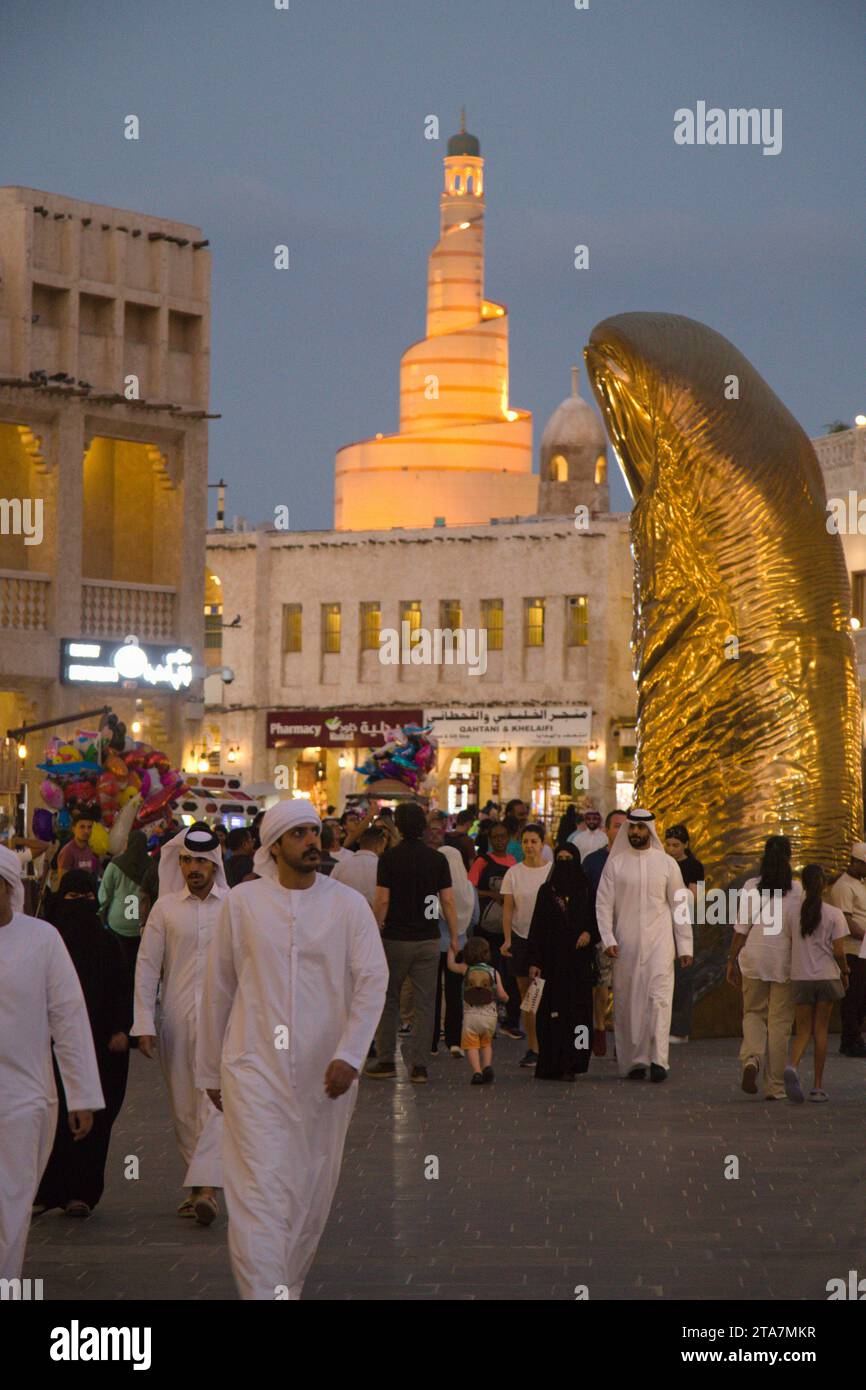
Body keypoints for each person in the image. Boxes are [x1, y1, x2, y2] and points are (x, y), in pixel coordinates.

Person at [196, 799, 388, 1300]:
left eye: (315, 832)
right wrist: (209, 1072)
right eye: (299, 834)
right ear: (274, 845)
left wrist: (350, 1052)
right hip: (251, 1068)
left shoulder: (347, 905)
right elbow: (218, 988)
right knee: (256, 1189)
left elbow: (372, 981)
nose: (311, 842)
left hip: (325, 1077)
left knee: (307, 1190)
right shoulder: (242, 903)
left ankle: (285, 1287)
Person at [0, 846, 103, 1280]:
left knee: (11, 1200)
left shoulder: (42, 939)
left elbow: (68, 1016)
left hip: (25, 1098)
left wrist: (81, 1094)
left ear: (10, 890)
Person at [132, 823, 226, 1226]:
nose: (193, 868)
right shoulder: (165, 908)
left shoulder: (235, 906)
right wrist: (143, 1023)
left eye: (202, 861)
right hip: (175, 1020)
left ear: (214, 864)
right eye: (187, 860)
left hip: (225, 1023)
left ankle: (205, 1188)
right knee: (185, 1106)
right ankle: (198, 1186)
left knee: (218, 1102)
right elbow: (147, 966)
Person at [35, 871, 130, 1218]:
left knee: (95, 1118)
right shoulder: (46, 945)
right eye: (72, 899)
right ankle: (45, 1191)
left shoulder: (108, 943)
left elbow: (122, 988)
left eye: (87, 899)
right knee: (52, 1117)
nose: (80, 907)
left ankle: (81, 1192)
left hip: (101, 1048)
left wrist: (122, 1029)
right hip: (52, 1047)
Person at [595, 809, 693, 1082]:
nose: (636, 833)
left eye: (641, 828)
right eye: (632, 829)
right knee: (629, 1003)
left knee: (659, 1000)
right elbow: (603, 904)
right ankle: (634, 1062)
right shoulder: (615, 865)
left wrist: (685, 946)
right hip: (625, 946)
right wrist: (608, 939)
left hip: (660, 945)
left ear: (650, 831)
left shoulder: (666, 864)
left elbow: (680, 905)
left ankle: (659, 1061)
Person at [366, 801, 458, 1085]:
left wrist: (373, 930)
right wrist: (454, 937)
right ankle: (419, 1066)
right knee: (425, 1002)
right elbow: (448, 900)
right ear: (423, 827)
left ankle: (385, 1060)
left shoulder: (389, 859)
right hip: (428, 939)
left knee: (389, 998)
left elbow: (383, 899)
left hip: (395, 938)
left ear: (399, 827)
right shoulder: (437, 860)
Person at [726, 835, 800, 1100]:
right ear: (789, 858)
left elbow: (740, 929)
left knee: (753, 1012)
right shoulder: (797, 890)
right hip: (784, 961)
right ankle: (775, 1086)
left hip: (754, 957)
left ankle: (752, 1058)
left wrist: (731, 960)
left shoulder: (750, 886)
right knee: (780, 1022)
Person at [527, 843, 599, 1080]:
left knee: (578, 1015)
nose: (565, 862)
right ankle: (551, 1062)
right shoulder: (547, 891)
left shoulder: (586, 889)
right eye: (561, 858)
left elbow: (596, 919)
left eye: (570, 858)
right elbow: (537, 927)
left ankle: (575, 1062)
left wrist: (589, 933)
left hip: (579, 965)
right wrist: (535, 960)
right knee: (551, 1014)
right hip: (552, 963)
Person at [784, 864, 849, 1103]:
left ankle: (792, 1065)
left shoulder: (793, 913)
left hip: (801, 976)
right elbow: (840, 952)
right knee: (821, 1031)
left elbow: (790, 941)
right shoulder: (834, 914)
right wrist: (845, 971)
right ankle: (818, 1087)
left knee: (802, 1031)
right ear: (823, 885)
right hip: (827, 977)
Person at [501, 824, 551, 1068]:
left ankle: (548, 1042)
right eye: (526, 842)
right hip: (521, 938)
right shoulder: (514, 873)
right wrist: (508, 938)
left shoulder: (551, 872)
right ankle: (534, 1046)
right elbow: (508, 909)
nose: (529, 846)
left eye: (534, 841)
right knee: (527, 995)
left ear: (542, 843)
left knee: (544, 993)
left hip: (545, 940)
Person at [582, 810, 626, 1056]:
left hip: (629, 932)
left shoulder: (637, 860)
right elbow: (586, 899)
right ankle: (598, 1028)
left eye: (625, 826)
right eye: (617, 826)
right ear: (607, 830)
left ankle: (623, 1037)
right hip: (600, 932)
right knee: (600, 986)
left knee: (626, 988)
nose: (621, 831)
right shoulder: (593, 861)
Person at [470, 821, 519, 1034]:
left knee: (507, 973)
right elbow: (470, 889)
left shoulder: (513, 861)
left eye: (503, 836)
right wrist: (492, 895)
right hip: (486, 926)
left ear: (508, 838)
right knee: (485, 971)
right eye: (496, 837)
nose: (500, 840)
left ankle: (508, 1016)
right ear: (490, 840)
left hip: (507, 926)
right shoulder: (482, 861)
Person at [447, 937, 508, 1084]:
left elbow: (450, 965)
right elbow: (501, 994)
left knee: (472, 1046)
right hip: (489, 1017)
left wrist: (451, 950)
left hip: (470, 1016)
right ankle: (487, 1066)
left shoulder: (466, 969)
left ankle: (477, 1071)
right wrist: (506, 999)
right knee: (486, 1044)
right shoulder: (493, 972)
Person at [664, 824, 705, 1043]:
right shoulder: (662, 863)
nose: (671, 849)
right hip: (664, 921)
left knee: (683, 975)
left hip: (685, 920)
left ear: (686, 845)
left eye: (676, 845)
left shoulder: (694, 866)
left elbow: (694, 897)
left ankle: (680, 1028)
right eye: (668, 844)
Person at [433, 843, 474, 1057]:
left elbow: (428, 917)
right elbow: (475, 918)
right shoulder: (469, 888)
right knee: (455, 994)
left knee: (432, 994)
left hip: (435, 945)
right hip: (460, 947)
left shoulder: (433, 889)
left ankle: (431, 1042)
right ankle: (454, 1041)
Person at [828, 842, 866, 1057]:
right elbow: (846, 921)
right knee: (854, 997)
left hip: (863, 949)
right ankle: (850, 1040)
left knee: (862, 997)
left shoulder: (860, 883)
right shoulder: (844, 886)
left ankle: (855, 1037)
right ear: (857, 863)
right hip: (853, 950)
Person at [98, 829, 149, 976]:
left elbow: (104, 894)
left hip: (117, 923)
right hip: (141, 924)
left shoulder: (115, 865)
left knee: (118, 965)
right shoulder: (152, 866)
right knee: (137, 967)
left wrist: (100, 912)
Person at [331, 825, 387, 905]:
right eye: (383, 846)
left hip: (346, 914)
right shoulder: (383, 867)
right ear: (378, 846)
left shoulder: (340, 866)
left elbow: (331, 893)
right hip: (373, 915)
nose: (383, 850)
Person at [56, 810, 102, 880]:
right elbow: (63, 882)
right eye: (82, 827)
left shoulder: (92, 849)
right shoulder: (67, 852)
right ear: (73, 829)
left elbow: (95, 872)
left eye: (89, 827)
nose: (86, 831)